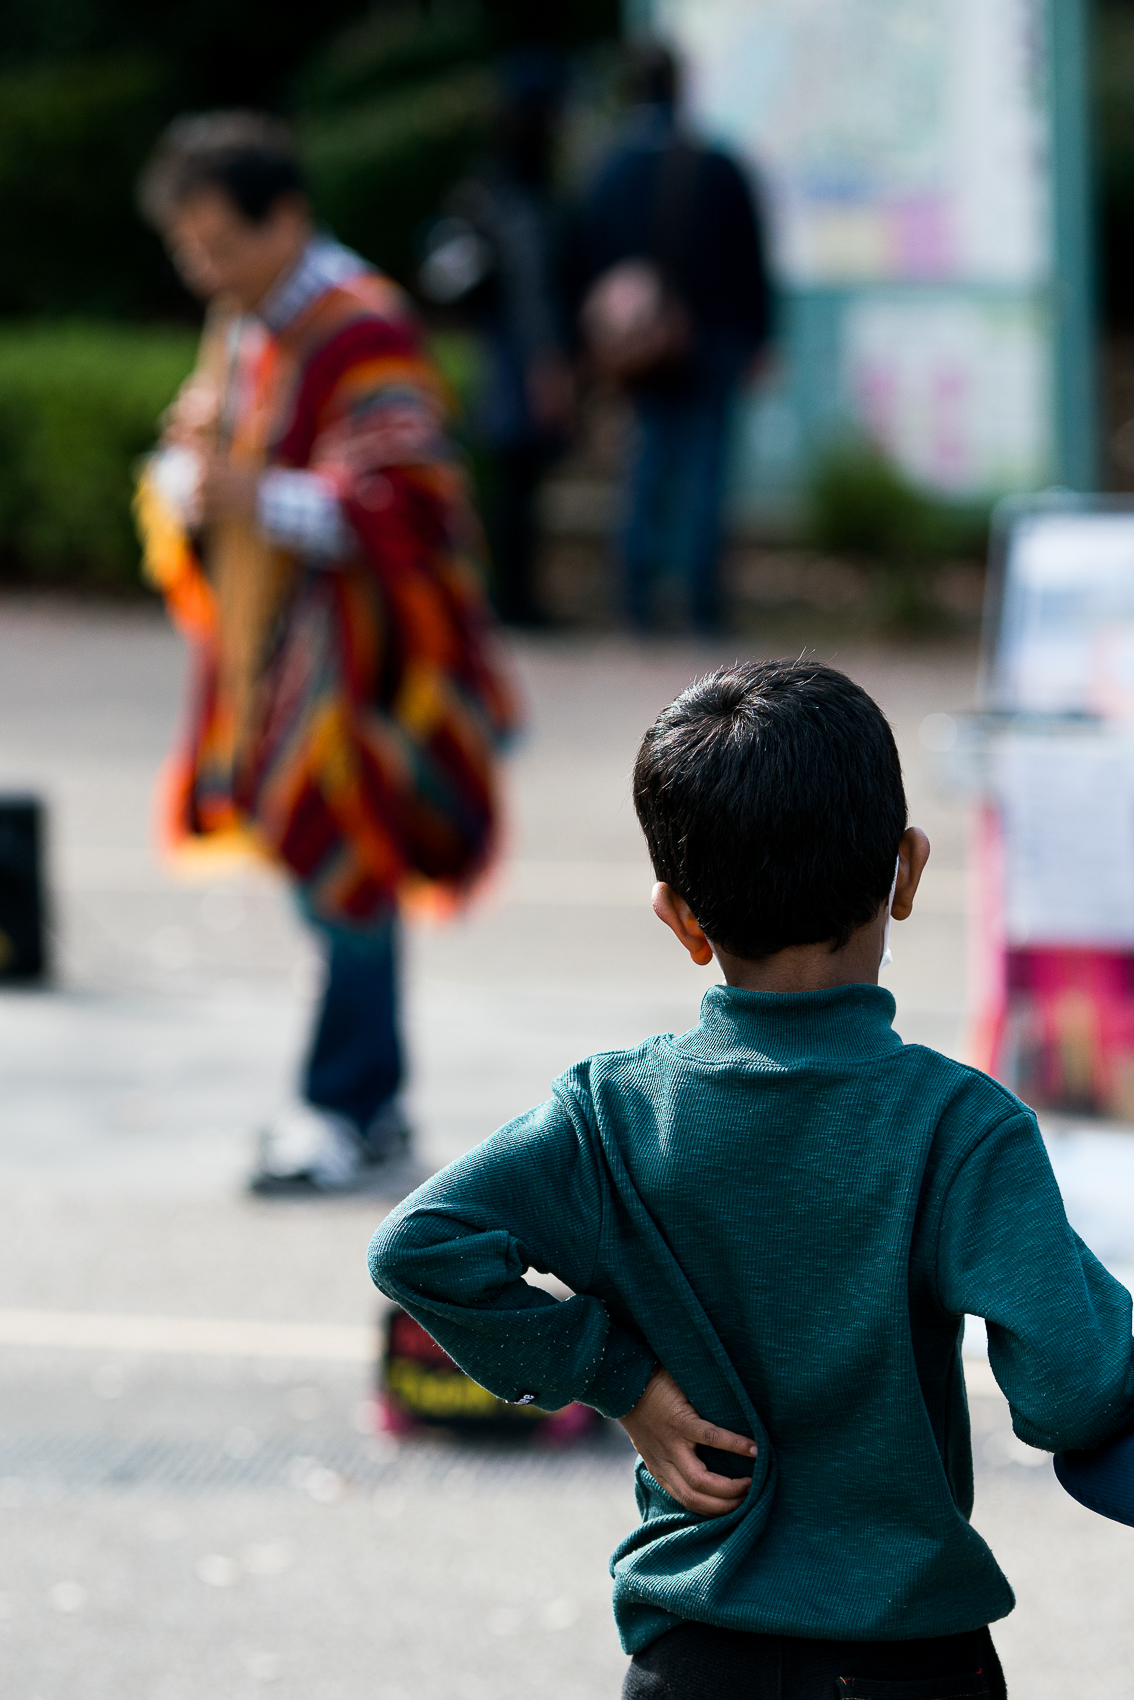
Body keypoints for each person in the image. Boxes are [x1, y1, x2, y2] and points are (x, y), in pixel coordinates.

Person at [369, 660, 1134, 1699]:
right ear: (907, 873)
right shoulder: (959, 1126)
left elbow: (419, 1245)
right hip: (907, 1657)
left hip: (693, 1653)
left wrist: (618, 1376)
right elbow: (1072, 1385)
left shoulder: (613, 1112)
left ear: (680, 917)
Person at [135, 113, 519, 1195]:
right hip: (292, 660)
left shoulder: (361, 329)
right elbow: (199, 447)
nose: (206, 268)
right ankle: (367, 1103)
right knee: (332, 883)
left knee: (348, 875)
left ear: (287, 220)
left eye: (220, 244)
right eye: (190, 248)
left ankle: (349, 1104)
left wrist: (252, 492)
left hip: (373, 669)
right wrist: (192, 481)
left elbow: (405, 504)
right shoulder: (252, 322)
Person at [575, 45, 771, 633]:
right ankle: (702, 603)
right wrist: (760, 336)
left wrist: (595, 344)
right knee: (706, 476)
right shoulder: (717, 164)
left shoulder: (609, 169)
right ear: (682, 88)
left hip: (639, 350)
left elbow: (585, 260)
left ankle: (637, 600)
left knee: (646, 471)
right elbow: (751, 258)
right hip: (713, 341)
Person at [418, 50, 573, 626]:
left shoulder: (484, 185)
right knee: (516, 488)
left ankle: (506, 596)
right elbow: (532, 289)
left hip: (490, 351)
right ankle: (514, 601)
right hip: (516, 357)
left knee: (509, 485)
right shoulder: (523, 195)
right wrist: (547, 363)